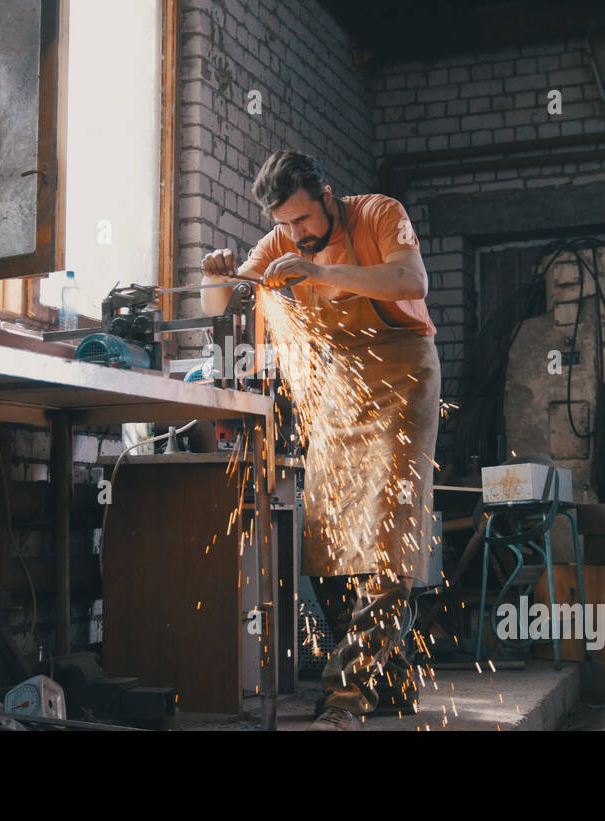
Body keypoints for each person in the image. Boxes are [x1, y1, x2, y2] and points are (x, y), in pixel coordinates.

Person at [200, 149, 441, 730]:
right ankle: (394, 681)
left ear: (327, 198)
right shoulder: (280, 242)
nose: (295, 235)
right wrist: (214, 275)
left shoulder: (379, 213)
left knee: (384, 543)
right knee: (325, 546)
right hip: (337, 388)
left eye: (303, 220)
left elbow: (413, 279)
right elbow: (220, 306)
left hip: (400, 376)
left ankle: (345, 701)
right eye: (284, 224)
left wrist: (322, 272)